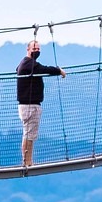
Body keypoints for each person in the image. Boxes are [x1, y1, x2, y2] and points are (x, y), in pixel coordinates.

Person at [14, 39, 65, 168]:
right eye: (34, 49)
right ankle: (27, 162)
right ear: (28, 49)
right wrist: (59, 70)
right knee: (29, 135)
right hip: (30, 106)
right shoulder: (29, 64)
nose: (36, 51)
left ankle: (28, 160)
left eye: (38, 49)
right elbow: (45, 69)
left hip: (27, 105)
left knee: (28, 134)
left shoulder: (24, 64)